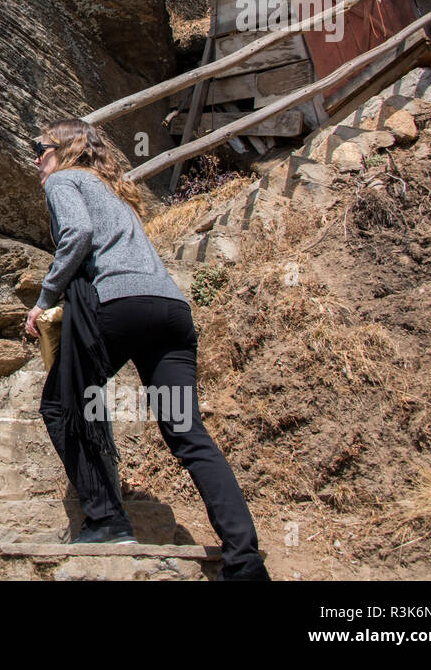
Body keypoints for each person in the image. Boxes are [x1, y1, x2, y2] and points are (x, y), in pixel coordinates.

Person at [25, 118, 269, 580]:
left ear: (65, 149)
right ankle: (245, 561)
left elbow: (76, 235)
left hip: (121, 305)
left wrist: (44, 300)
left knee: (61, 404)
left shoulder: (63, 180)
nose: (36, 158)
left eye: (40, 147)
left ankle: (107, 521)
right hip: (171, 312)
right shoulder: (113, 192)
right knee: (187, 434)